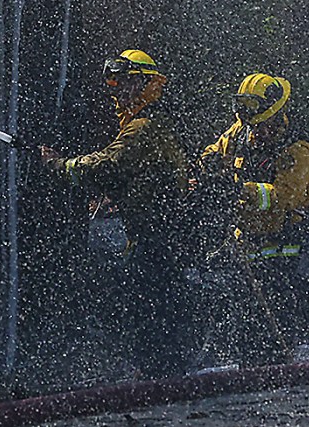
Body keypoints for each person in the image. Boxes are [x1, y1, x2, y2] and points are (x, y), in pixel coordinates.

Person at [38, 49, 195, 378]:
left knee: (153, 305)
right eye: (115, 83)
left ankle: (164, 378)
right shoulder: (146, 121)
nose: (119, 90)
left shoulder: (145, 126)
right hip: (153, 235)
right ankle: (163, 374)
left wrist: (59, 165)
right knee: (152, 306)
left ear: (146, 83)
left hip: (159, 237)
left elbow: (108, 164)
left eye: (126, 83)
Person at [199, 72, 309, 366]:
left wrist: (243, 189)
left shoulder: (297, 150)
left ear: (277, 117)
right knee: (245, 315)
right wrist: (210, 160)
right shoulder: (242, 130)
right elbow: (217, 151)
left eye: (262, 125)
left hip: (281, 245)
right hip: (246, 242)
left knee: (275, 312)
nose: (256, 132)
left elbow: (283, 198)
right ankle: (249, 369)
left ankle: (277, 368)